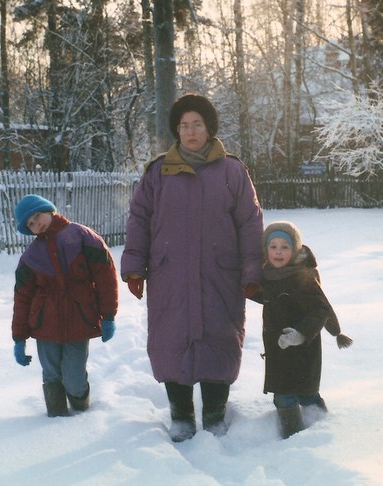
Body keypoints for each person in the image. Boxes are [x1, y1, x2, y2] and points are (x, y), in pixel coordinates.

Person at [121, 93, 264, 442]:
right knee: (171, 340)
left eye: (197, 124)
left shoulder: (232, 171)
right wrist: (134, 266)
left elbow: (250, 222)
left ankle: (215, 414)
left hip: (220, 274)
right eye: (184, 126)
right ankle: (181, 415)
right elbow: (139, 219)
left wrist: (252, 271)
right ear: (177, 130)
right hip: (170, 274)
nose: (190, 131)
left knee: (220, 338)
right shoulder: (158, 172)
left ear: (209, 128)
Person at [11, 194, 119, 417]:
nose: (36, 224)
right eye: (30, 224)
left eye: (37, 216)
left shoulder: (81, 236)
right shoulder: (31, 257)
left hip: (79, 320)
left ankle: (82, 413)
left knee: (74, 377)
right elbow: (22, 298)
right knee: (51, 374)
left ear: (49, 210)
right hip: (44, 324)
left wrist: (108, 315)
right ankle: (55, 418)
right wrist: (19, 338)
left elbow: (105, 276)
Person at [251, 221, 352, 439]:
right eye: (273, 246)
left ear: (295, 249)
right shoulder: (270, 275)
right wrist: (247, 289)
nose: (278, 252)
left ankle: (298, 437)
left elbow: (320, 309)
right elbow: (270, 297)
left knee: (300, 394)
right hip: (279, 350)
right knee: (287, 392)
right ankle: (303, 432)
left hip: (303, 351)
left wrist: (300, 334)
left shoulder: (302, 277)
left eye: (285, 247)